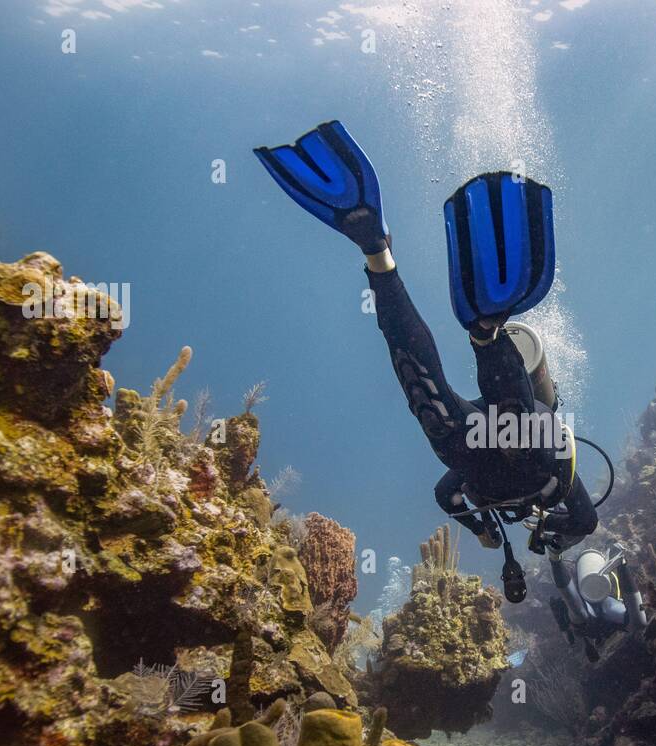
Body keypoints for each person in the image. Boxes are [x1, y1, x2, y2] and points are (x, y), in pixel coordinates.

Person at [255, 121, 599, 576]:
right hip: (508, 448)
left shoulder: (506, 476)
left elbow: (445, 495)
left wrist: (481, 528)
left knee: (437, 402)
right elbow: (585, 521)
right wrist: (538, 537)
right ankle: (475, 329)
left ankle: (385, 261)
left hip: (482, 450)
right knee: (446, 408)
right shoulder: (560, 487)